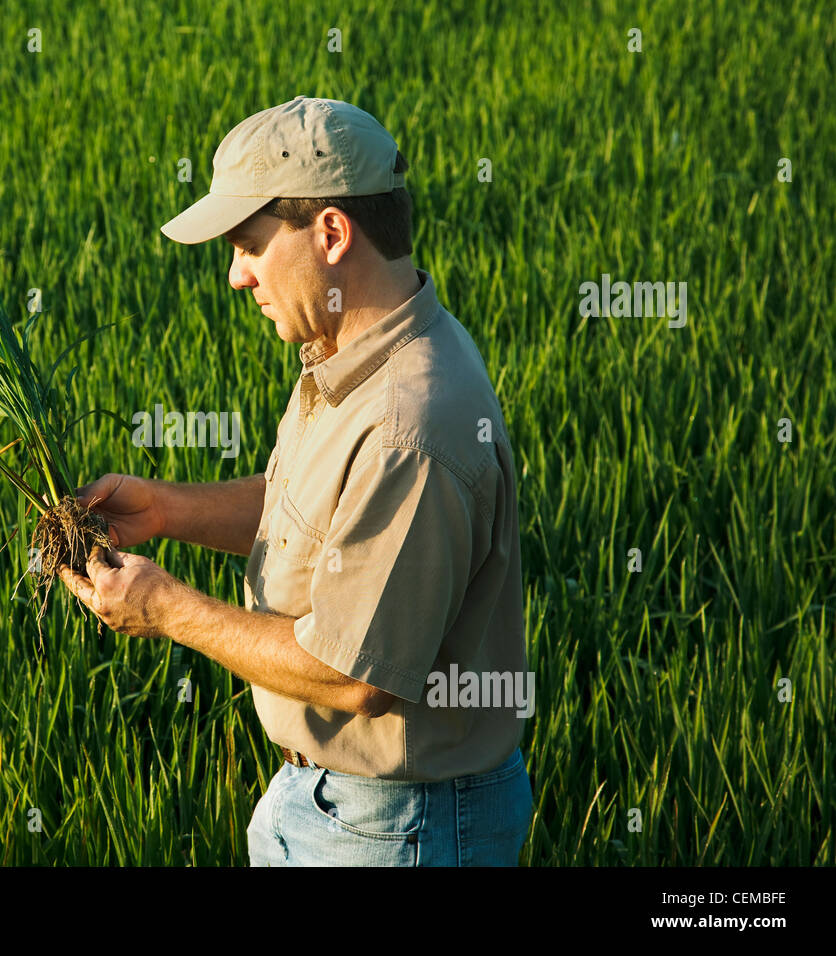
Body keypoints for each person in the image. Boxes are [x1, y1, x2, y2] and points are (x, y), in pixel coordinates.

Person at [57, 95, 533, 866]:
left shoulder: (413, 427)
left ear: (332, 233)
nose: (236, 277)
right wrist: (168, 508)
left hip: (395, 830)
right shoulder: (349, 351)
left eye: (248, 245)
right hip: (330, 802)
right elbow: (321, 523)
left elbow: (354, 674)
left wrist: (167, 608)